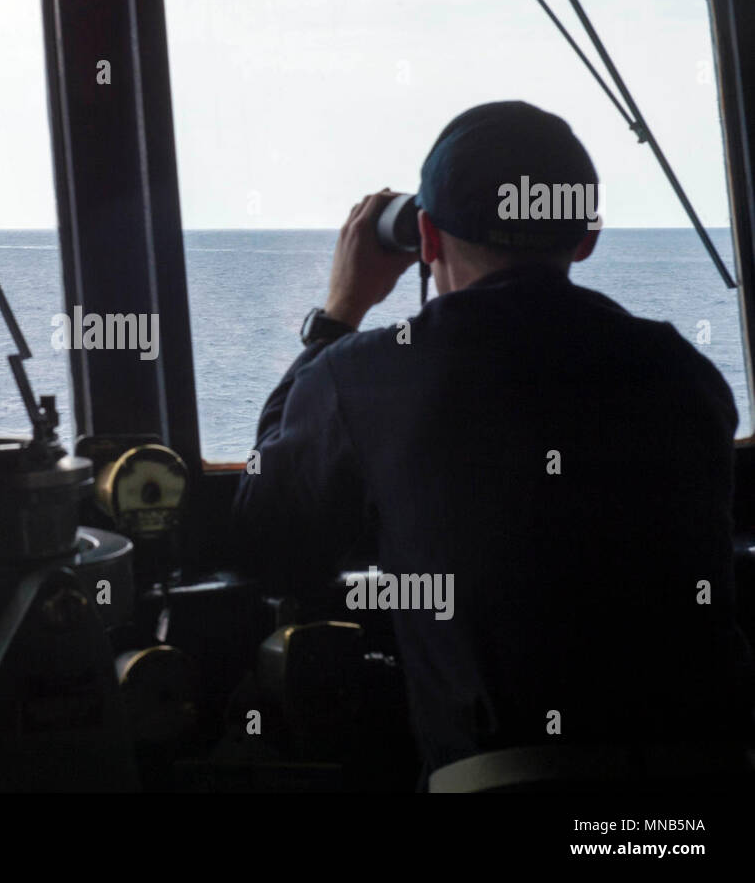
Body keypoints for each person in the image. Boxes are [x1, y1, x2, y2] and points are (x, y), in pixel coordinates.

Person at [234, 100, 754, 781]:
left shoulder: (364, 376)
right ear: (587, 237)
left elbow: (269, 546)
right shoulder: (685, 374)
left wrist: (338, 315)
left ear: (425, 238)